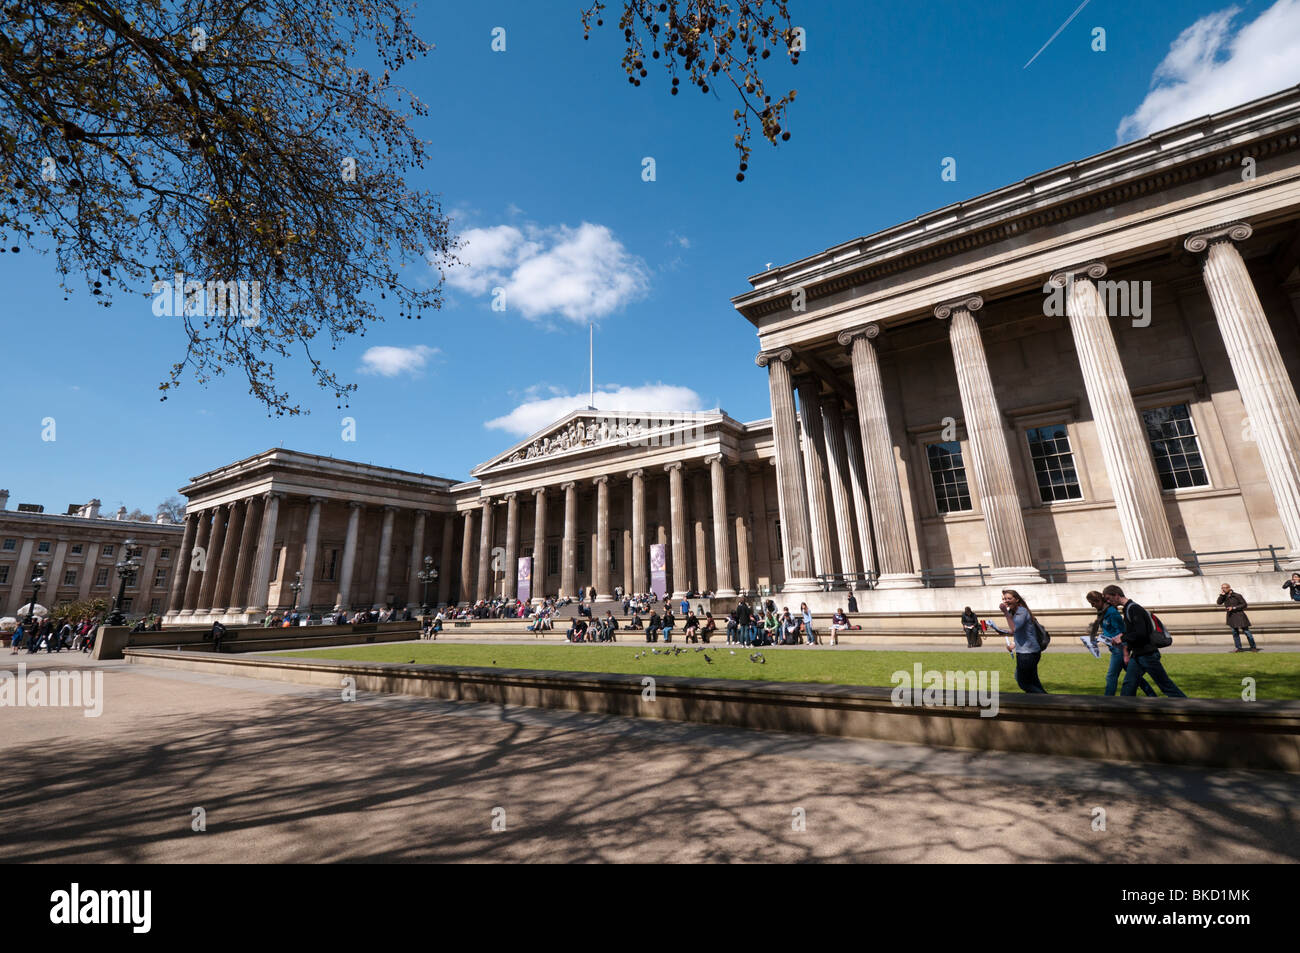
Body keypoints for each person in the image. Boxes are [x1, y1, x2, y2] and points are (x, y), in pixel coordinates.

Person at [1103, 585, 1186, 697]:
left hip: (1147, 655)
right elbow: (1135, 631)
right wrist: (1124, 641)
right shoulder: (1128, 609)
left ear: (1117, 595)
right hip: (1138, 655)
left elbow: (1140, 633)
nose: (1108, 602)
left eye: (1108, 598)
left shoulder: (1134, 609)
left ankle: (1193, 709)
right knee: (1128, 686)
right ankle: (1124, 711)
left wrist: (1122, 638)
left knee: (1166, 686)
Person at [1085, 590, 1153, 697]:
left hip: (1119, 649)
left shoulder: (1112, 612)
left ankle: (1108, 699)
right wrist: (1099, 638)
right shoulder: (1103, 612)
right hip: (1114, 648)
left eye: (1093, 603)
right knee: (1134, 677)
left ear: (1098, 600)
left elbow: (1122, 632)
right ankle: (1152, 695)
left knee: (1111, 676)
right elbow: (1109, 631)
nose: (1092, 606)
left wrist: (1125, 650)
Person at [1000, 589, 1047, 694]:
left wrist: (1005, 613)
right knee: (1033, 681)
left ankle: (1048, 700)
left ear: (1016, 599)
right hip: (1026, 651)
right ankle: (1041, 703)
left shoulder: (1022, 611)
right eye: (1004, 599)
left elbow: (1015, 628)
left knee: (1023, 682)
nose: (1005, 601)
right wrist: (1012, 642)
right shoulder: (1015, 612)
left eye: (1009, 598)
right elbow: (1020, 632)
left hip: (1028, 653)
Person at [1216, 583, 1259, 652]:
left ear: (1229, 588)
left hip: (1240, 616)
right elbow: (1218, 602)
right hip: (1231, 617)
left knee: (1247, 632)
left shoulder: (1237, 595)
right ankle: (1238, 648)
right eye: (1222, 588)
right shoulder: (1224, 596)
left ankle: (1253, 647)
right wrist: (1221, 595)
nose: (1223, 589)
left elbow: (1244, 605)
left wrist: (1233, 608)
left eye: (1225, 588)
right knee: (1235, 633)